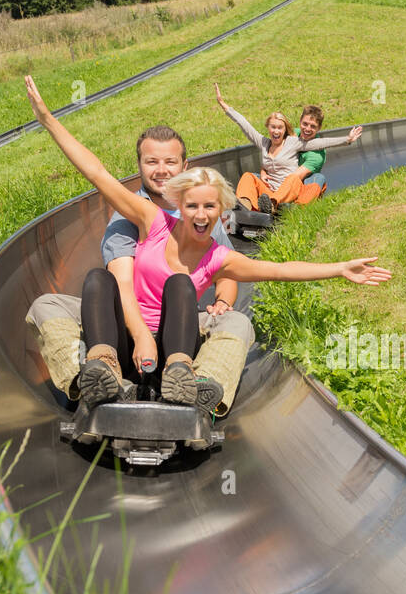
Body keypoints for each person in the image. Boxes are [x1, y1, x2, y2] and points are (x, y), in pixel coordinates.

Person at [25, 75, 391, 411]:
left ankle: (194, 383)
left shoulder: (218, 256)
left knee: (209, 304)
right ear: (179, 206)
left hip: (176, 341)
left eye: (209, 209)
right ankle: (94, 375)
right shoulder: (150, 220)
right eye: (193, 207)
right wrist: (49, 121)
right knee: (87, 284)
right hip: (123, 332)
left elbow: (279, 270)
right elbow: (97, 174)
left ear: (221, 215)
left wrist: (339, 269)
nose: (200, 215)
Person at [25, 124, 253, 414]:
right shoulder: (127, 217)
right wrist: (143, 336)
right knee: (47, 305)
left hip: (179, 330)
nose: (161, 170)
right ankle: (91, 380)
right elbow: (122, 285)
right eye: (151, 162)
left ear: (184, 166)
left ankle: (197, 386)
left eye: (170, 162)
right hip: (124, 329)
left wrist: (223, 301)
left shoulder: (199, 211)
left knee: (238, 322)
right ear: (139, 166)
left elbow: (226, 271)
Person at [215, 83, 362, 214]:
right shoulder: (266, 142)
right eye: (273, 128)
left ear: (285, 130)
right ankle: (246, 206)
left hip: (289, 191)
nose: (276, 131)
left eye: (280, 128)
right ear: (269, 128)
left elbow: (321, 143)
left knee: (298, 179)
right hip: (269, 189)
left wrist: (347, 140)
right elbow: (245, 125)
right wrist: (223, 104)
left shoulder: (294, 142)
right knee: (248, 176)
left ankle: (275, 204)